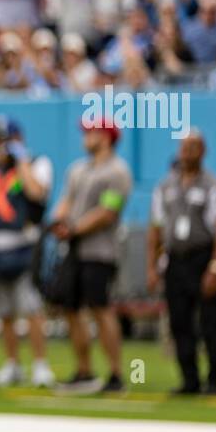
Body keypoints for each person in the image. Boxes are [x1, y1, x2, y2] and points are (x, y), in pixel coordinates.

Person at [146, 132, 216, 395]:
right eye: (184, 147)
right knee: (179, 322)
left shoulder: (214, 186)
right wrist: (152, 266)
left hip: (203, 257)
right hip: (175, 259)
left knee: (211, 321)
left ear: (203, 151)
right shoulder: (165, 187)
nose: (187, 152)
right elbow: (156, 228)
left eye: (193, 147)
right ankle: (189, 379)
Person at [50, 117, 132, 394]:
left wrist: (73, 228)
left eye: (91, 132)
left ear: (106, 136)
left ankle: (116, 373)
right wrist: (59, 220)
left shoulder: (118, 171)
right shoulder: (78, 169)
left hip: (100, 251)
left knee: (101, 308)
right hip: (75, 250)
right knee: (71, 309)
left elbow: (108, 213)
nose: (86, 136)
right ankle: (84, 370)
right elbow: (66, 201)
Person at [0, 121, 55, 388]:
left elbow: (36, 193)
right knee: (4, 311)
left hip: (25, 245)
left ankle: (40, 365)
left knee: (32, 308)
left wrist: (21, 159)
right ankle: (12, 363)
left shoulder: (36, 162)